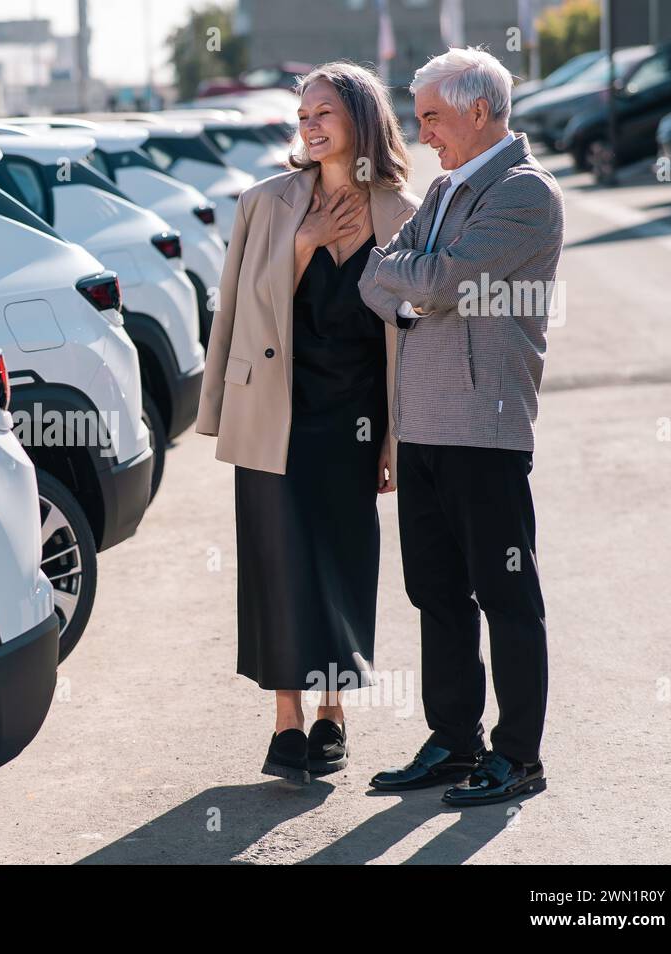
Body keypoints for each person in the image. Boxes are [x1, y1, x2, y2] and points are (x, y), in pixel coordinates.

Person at [195, 62, 419, 788]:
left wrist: (391, 440)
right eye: (304, 114)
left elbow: (409, 340)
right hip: (274, 410)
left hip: (354, 418)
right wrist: (302, 243)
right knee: (277, 562)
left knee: (342, 561)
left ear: (361, 120)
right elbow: (238, 311)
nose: (311, 124)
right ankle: (287, 720)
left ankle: (334, 713)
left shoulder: (401, 211)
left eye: (325, 112)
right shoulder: (266, 203)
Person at [358, 47, 564, 806]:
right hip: (423, 427)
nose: (424, 137)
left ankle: (518, 756)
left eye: (432, 119)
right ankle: (454, 741)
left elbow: (436, 280)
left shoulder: (525, 194)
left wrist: (413, 279)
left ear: (480, 112)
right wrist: (416, 281)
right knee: (436, 593)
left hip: (487, 426)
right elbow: (377, 281)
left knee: (507, 597)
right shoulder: (443, 190)